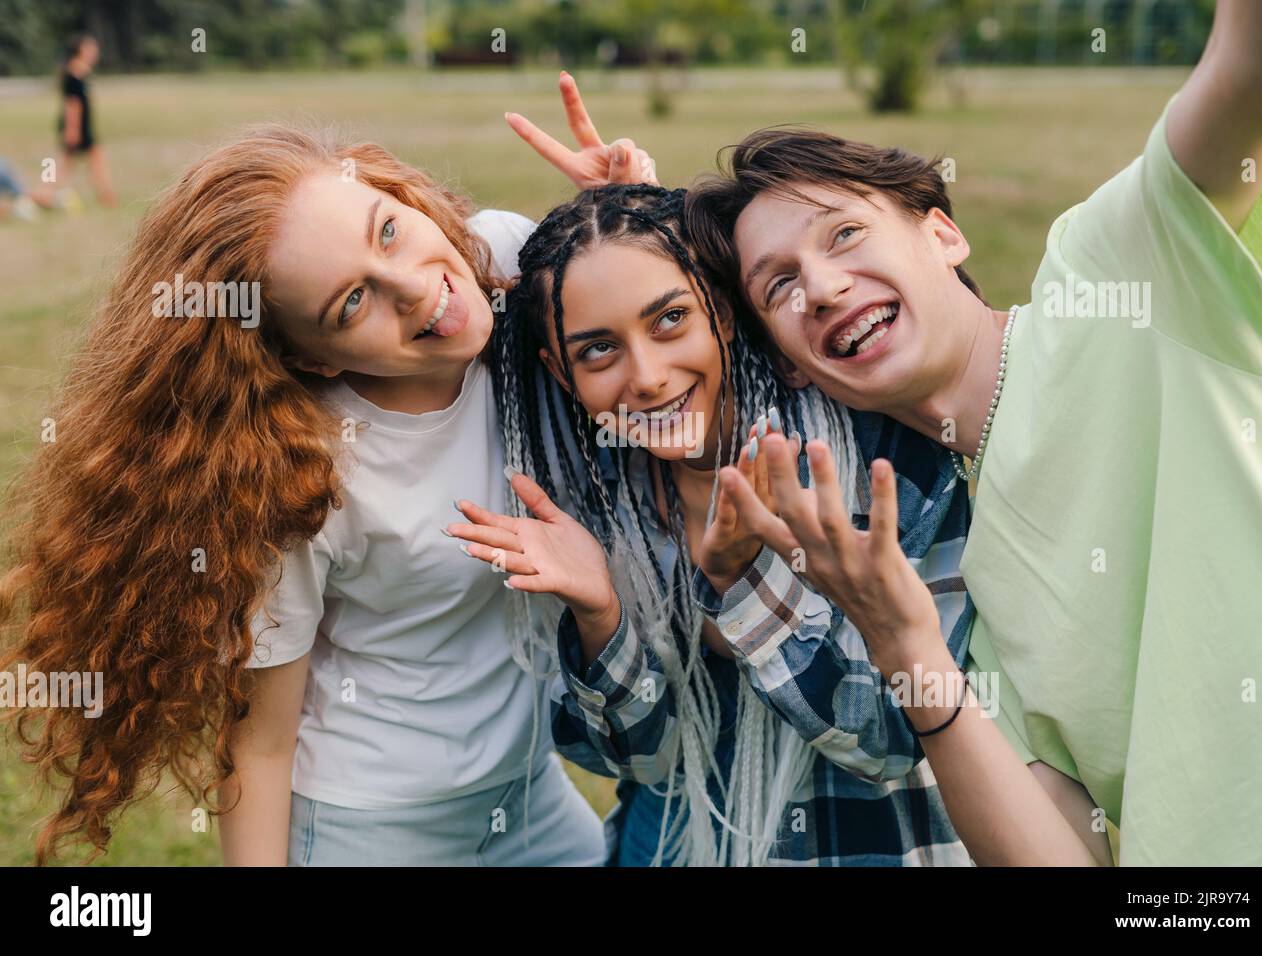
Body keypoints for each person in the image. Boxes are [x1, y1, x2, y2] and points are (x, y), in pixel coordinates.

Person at [683, 0, 1262, 865]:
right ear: (792, 365)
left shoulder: (1114, 270)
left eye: (846, 232)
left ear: (942, 232)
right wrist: (904, 648)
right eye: (778, 286)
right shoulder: (968, 586)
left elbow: (1258, 79)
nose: (819, 286)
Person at [0, 74, 657, 864]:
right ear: (308, 358)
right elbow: (261, 746)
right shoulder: (298, 477)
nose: (417, 289)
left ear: (398, 195)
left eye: (387, 231)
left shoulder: (509, 258)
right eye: (352, 304)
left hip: (529, 796)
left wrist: (634, 222)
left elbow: (670, 354)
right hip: (369, 828)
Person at [450, 183, 976, 865]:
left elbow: (895, 735)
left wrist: (743, 582)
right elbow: (636, 762)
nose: (647, 376)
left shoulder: (876, 455)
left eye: (669, 320)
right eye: (598, 351)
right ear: (560, 369)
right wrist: (601, 617)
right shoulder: (594, 500)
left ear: (721, 312)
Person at [56, 33, 116, 208]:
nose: (95, 52)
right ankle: (43, 193)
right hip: (76, 128)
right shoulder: (73, 76)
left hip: (83, 127)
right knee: (65, 164)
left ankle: (106, 195)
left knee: (94, 159)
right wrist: (72, 130)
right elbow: (72, 105)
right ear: (80, 51)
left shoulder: (81, 74)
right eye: (90, 48)